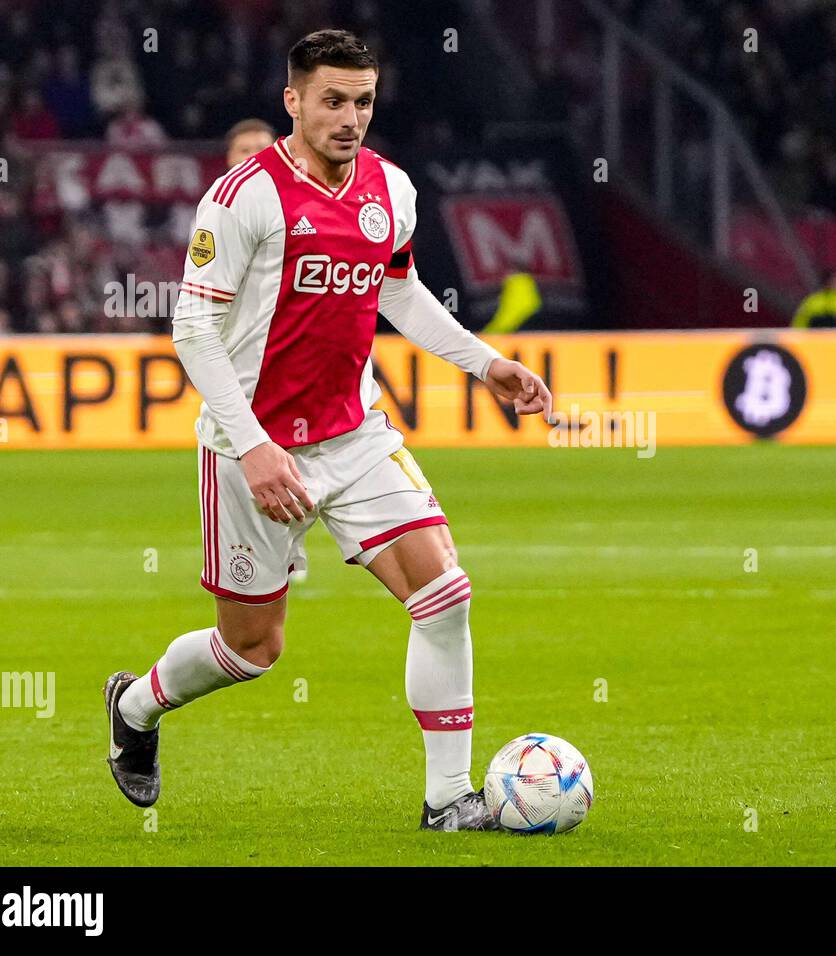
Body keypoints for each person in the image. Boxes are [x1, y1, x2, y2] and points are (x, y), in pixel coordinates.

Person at [103, 29, 553, 832]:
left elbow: (400, 293)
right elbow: (193, 332)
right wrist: (253, 446)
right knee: (251, 650)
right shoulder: (243, 198)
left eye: (364, 102)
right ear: (294, 101)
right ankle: (134, 708)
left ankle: (448, 801)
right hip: (251, 446)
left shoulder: (393, 190)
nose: (351, 118)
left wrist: (487, 365)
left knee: (445, 592)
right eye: (333, 101)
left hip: (355, 436)